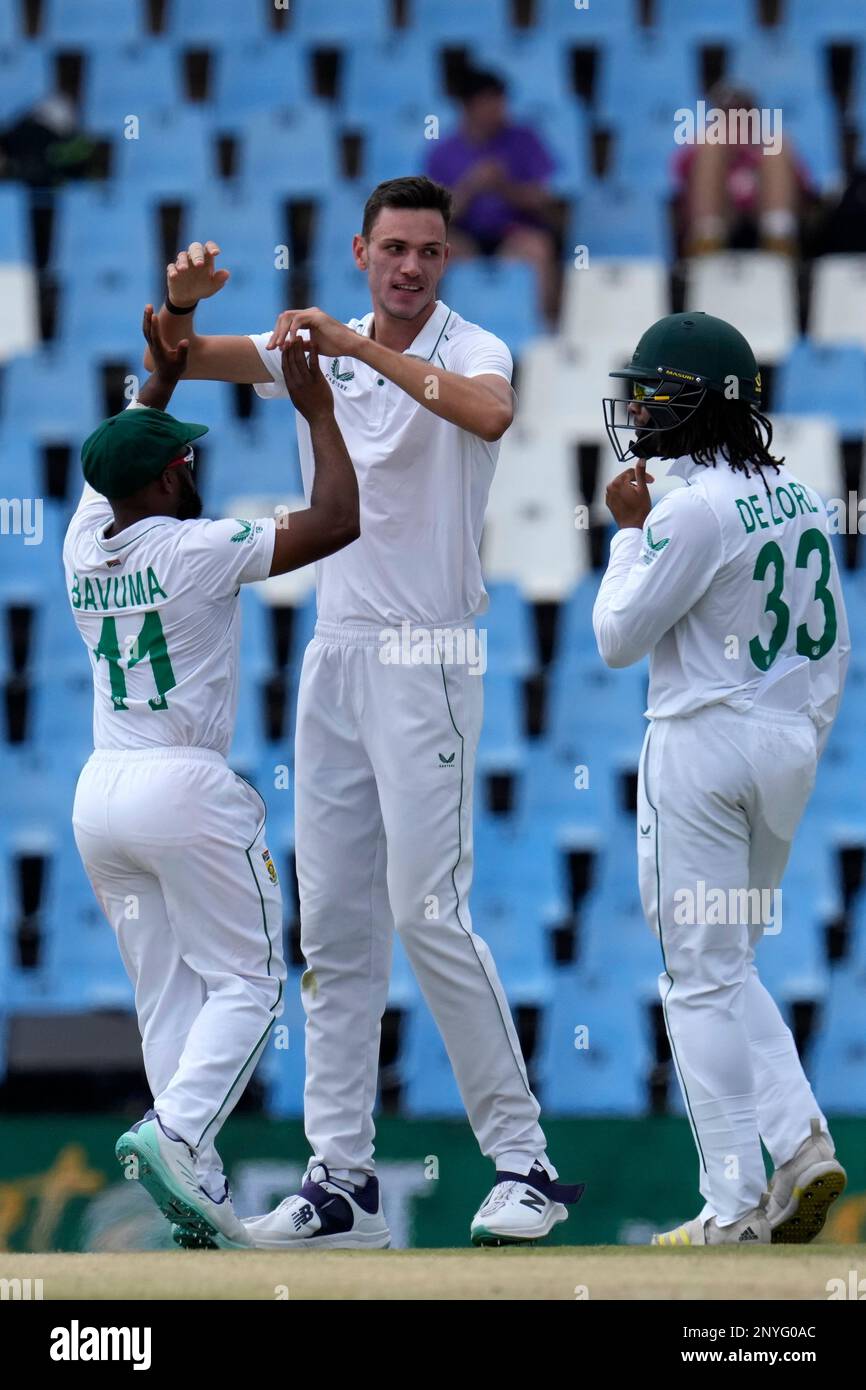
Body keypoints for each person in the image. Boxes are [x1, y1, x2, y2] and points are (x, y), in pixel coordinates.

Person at [147, 174, 583, 1249]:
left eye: (427, 252)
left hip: (426, 651)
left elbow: (489, 413)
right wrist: (185, 304)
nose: (408, 267)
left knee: (426, 909)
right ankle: (338, 1174)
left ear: (445, 263)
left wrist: (352, 349)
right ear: (358, 249)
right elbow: (176, 361)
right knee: (332, 930)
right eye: (392, 248)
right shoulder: (314, 343)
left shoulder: (474, 347)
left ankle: (524, 1163)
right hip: (334, 653)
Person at [66, 307, 359, 1249]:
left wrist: (160, 375)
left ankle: (197, 1180)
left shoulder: (83, 540)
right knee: (251, 984)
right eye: (180, 460)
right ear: (161, 479)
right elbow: (336, 522)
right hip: (182, 786)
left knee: (170, 999)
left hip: (100, 791)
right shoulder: (196, 550)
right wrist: (317, 411)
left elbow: (125, 445)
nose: (191, 465)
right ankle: (176, 1133)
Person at [594, 311, 849, 1246]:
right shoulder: (808, 498)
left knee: (694, 982)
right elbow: (835, 656)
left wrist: (626, 533)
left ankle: (731, 1207)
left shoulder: (689, 509)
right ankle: (803, 1145)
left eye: (659, 392)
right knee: (728, 965)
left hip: (701, 746)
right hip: (786, 745)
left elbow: (617, 639)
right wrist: (797, 737)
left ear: (703, 404)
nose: (643, 410)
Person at [425, 68, 559, 324]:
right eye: (488, 102)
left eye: (500, 102)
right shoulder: (442, 152)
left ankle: (540, 331)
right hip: (465, 235)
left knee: (537, 248)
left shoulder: (525, 139)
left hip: (513, 231)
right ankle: (438, 332)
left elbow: (543, 200)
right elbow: (435, 217)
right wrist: (471, 186)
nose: (497, 110)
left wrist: (504, 187)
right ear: (468, 107)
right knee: (435, 251)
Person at [673, 83, 810, 259]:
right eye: (727, 117)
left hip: (763, 224)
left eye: (743, 117)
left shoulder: (769, 153)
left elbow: (802, 190)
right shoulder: (700, 152)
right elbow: (682, 186)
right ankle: (706, 245)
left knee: (777, 144)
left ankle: (779, 243)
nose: (736, 124)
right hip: (719, 223)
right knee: (710, 148)